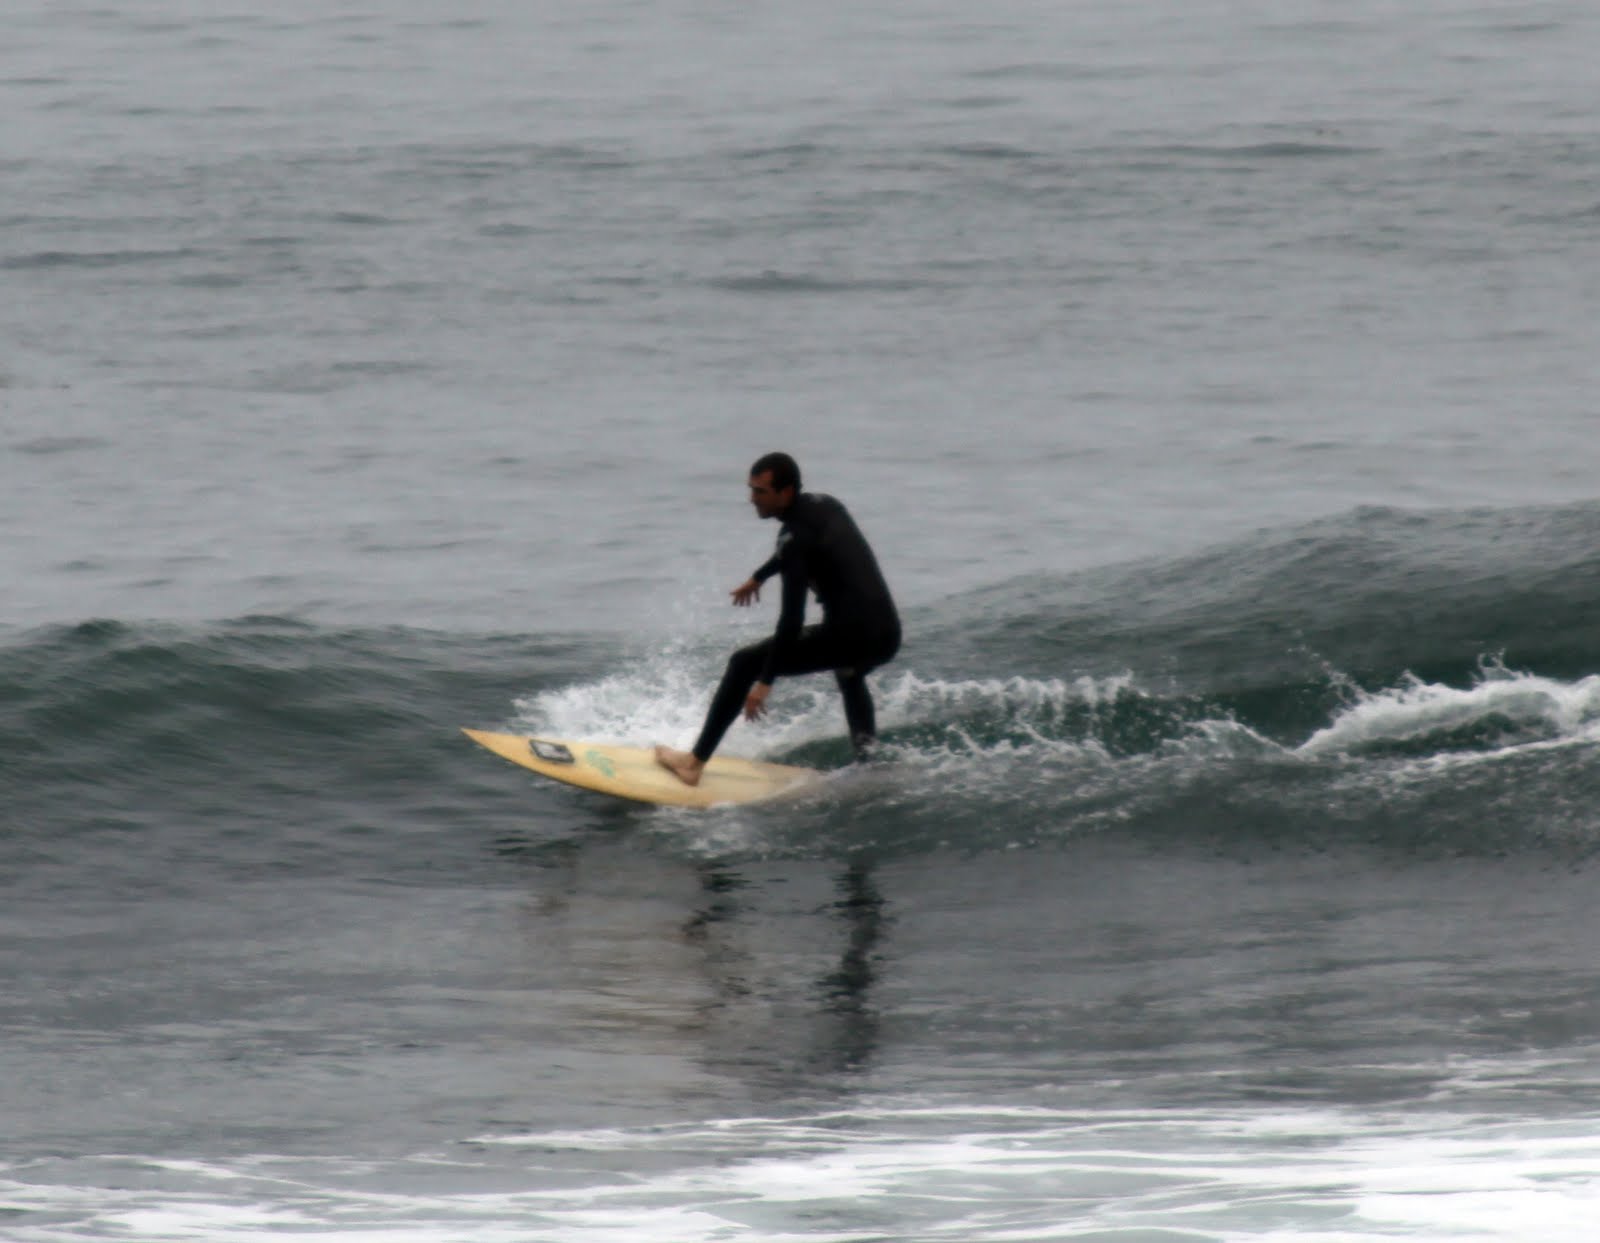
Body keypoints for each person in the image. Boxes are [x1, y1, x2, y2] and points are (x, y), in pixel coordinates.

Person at [655, 453, 901, 786]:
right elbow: (797, 548)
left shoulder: (793, 538)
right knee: (850, 674)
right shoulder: (825, 504)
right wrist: (761, 576)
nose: (752, 499)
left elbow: (792, 618)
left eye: (760, 492)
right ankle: (869, 764)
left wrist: (765, 681)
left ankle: (693, 764)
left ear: (784, 493)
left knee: (743, 663)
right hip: (886, 632)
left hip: (851, 634)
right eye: (751, 489)